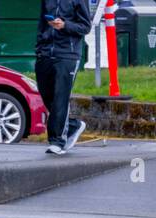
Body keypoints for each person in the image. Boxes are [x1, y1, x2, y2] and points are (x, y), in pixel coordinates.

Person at [35, 0, 92, 155]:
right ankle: (73, 126)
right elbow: (42, 22)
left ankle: (57, 141)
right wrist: (39, 47)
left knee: (61, 97)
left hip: (68, 54)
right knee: (47, 95)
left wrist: (65, 25)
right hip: (45, 52)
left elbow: (86, 26)